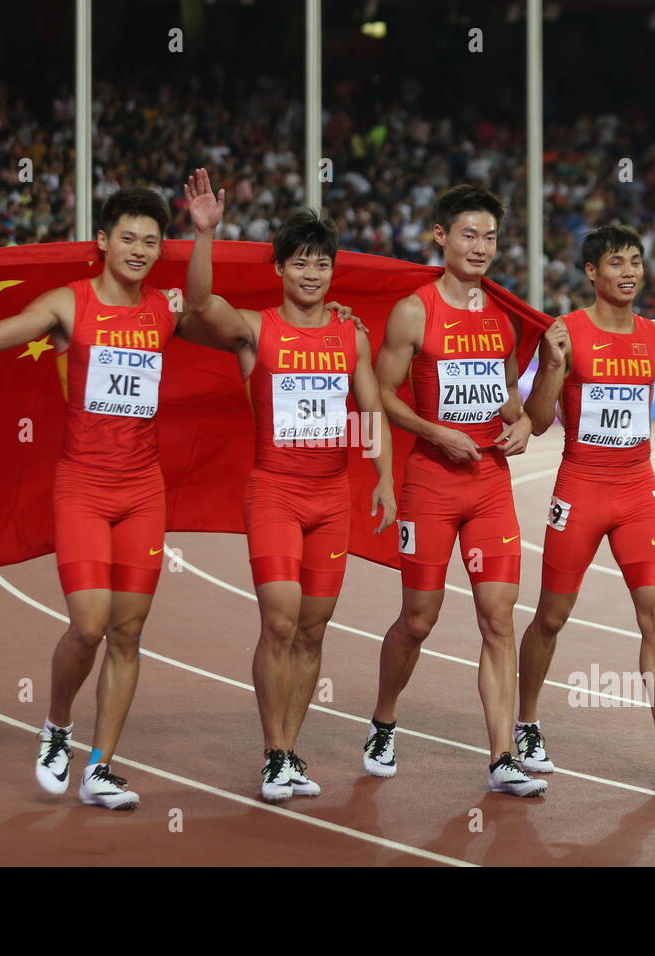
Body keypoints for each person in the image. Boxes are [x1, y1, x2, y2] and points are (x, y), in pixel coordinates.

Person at [0, 187, 360, 810]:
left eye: (152, 241)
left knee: (127, 631)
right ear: (102, 241)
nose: (141, 250)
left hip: (145, 490)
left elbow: (217, 312)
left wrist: (218, 243)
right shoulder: (69, 304)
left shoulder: (165, 309)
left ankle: (101, 765)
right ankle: (57, 728)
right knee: (88, 625)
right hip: (85, 489)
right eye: (129, 238)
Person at [184, 168, 396, 803]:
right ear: (279, 268)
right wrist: (204, 236)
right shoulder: (255, 329)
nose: (312, 274)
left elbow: (371, 408)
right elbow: (198, 305)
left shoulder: (350, 335)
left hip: (332, 499)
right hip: (274, 491)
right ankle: (273, 751)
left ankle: (291, 749)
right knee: (278, 621)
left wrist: (384, 473)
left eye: (322, 264)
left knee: (313, 627)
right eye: (301, 263)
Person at [366, 184, 542, 798]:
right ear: (441, 237)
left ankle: (501, 757)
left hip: (491, 483)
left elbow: (512, 398)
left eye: (490, 237)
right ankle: (385, 718)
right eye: (470, 234)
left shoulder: (502, 316)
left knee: (498, 617)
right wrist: (433, 432)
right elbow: (381, 393)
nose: (481, 247)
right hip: (432, 484)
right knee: (419, 619)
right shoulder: (415, 311)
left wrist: (520, 424)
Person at [520, 224, 655, 792]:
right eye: (615, 263)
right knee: (552, 615)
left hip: (636, 490)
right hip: (581, 487)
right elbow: (541, 419)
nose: (628, 272)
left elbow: (638, 410)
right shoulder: (567, 333)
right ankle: (526, 721)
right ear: (591, 273)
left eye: (635, 261)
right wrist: (552, 367)